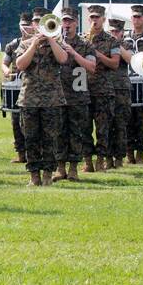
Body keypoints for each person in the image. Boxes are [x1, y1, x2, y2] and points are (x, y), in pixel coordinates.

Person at [13, 9, 68, 186]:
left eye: (42, 22)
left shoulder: (57, 42)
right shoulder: (25, 43)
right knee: (30, 138)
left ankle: (47, 174)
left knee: (50, 138)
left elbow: (63, 59)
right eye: (37, 22)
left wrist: (51, 39)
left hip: (52, 99)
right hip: (29, 99)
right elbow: (20, 65)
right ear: (33, 24)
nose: (39, 25)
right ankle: (34, 174)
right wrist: (34, 44)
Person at [52, 9, 96, 182]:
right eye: (64, 21)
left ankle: (73, 168)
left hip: (78, 97)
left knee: (77, 133)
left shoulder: (85, 45)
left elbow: (92, 67)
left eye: (70, 21)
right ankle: (60, 168)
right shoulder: (55, 43)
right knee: (58, 133)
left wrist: (73, 52)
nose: (67, 25)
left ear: (76, 23)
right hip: (58, 95)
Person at [84, 5, 119, 172]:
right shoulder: (83, 39)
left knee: (103, 128)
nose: (94, 20)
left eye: (97, 17)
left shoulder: (112, 41)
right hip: (84, 90)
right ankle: (87, 161)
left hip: (103, 90)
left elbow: (115, 64)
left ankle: (101, 159)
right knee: (84, 127)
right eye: (92, 17)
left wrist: (97, 54)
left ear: (103, 19)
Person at [118, 5, 143, 164]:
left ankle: (140, 153)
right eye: (134, 17)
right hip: (128, 82)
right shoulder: (124, 39)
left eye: (139, 16)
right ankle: (129, 152)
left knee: (142, 121)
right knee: (127, 119)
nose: (136, 19)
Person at [2, 13, 34, 164]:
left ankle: (33, 152)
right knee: (15, 120)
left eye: (27, 25)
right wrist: (6, 70)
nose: (24, 28)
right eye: (22, 25)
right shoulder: (13, 44)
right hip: (16, 85)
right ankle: (21, 153)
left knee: (29, 122)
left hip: (32, 86)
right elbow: (4, 63)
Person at [107, 17, 131, 167]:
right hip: (106, 87)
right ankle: (107, 158)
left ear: (122, 32)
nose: (113, 34)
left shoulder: (126, 44)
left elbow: (130, 59)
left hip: (121, 88)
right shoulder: (104, 43)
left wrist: (117, 45)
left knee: (121, 124)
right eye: (111, 31)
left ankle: (119, 158)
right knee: (106, 124)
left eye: (116, 31)